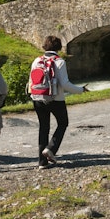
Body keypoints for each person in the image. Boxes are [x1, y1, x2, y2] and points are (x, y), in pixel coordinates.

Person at [30, 35, 88, 169]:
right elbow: (65, 84)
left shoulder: (37, 60)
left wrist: (33, 95)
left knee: (43, 127)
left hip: (37, 98)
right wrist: (81, 90)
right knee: (63, 123)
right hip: (55, 99)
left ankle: (41, 162)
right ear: (59, 47)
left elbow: (32, 81)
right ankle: (51, 149)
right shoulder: (59, 62)